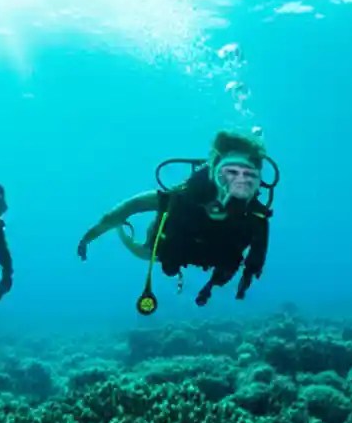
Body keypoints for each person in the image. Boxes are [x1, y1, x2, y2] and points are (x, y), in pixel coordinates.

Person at [77, 130, 278, 313]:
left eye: (248, 176)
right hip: (172, 248)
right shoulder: (181, 197)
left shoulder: (255, 217)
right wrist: (90, 236)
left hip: (217, 255)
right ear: (214, 169)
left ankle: (208, 287)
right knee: (149, 253)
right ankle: (126, 232)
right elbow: (133, 205)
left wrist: (247, 276)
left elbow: (256, 254)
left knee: (225, 268)